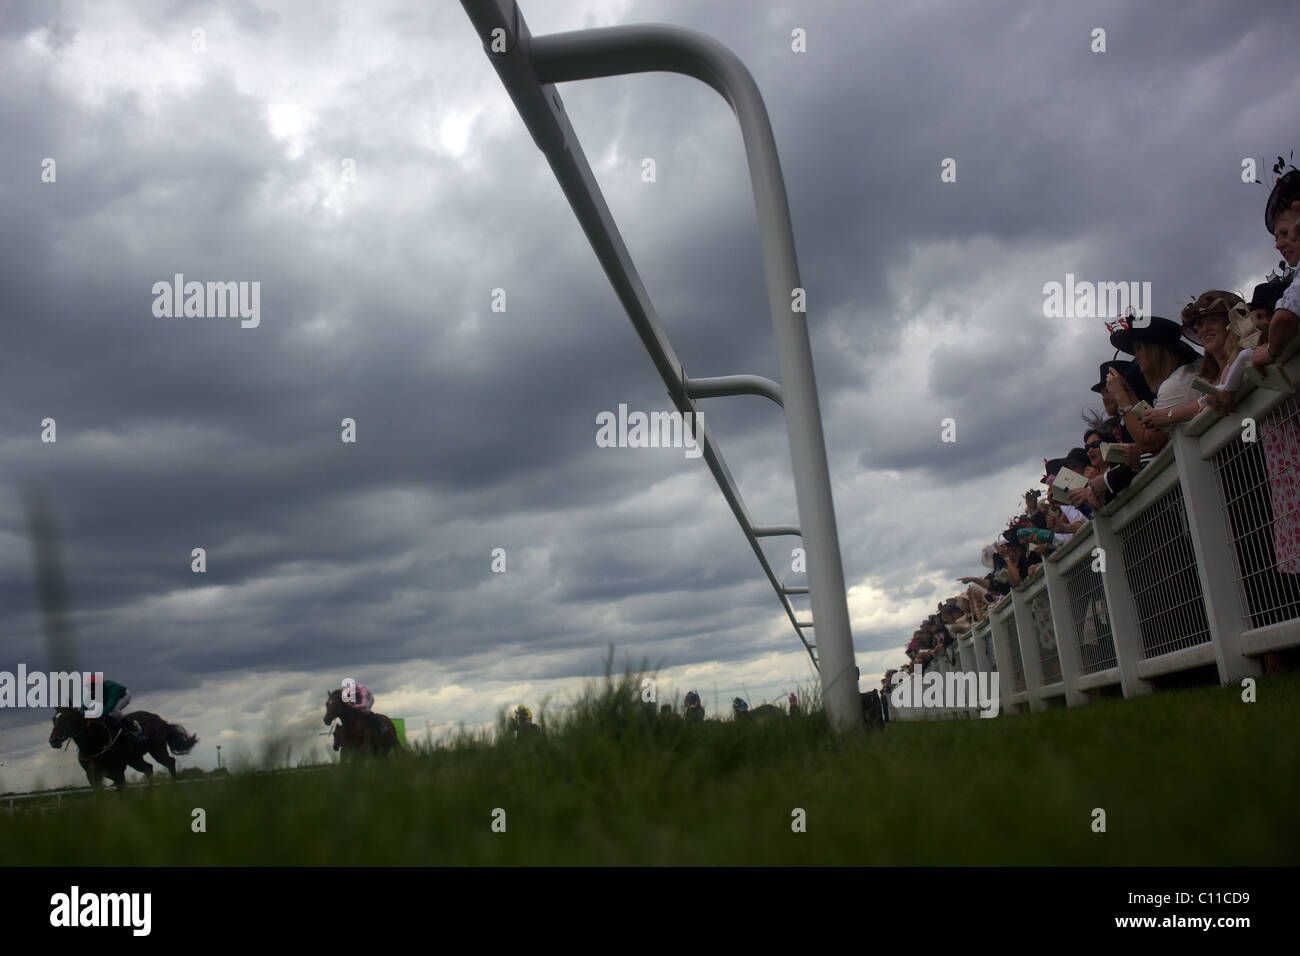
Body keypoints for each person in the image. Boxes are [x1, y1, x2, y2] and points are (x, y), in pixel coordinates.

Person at [1105, 316, 1202, 455]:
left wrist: (1120, 397)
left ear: (1155, 350)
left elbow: (1147, 441)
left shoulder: (1174, 385)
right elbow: (1149, 418)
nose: (1135, 357)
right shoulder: (1183, 375)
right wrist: (1127, 391)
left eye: (1139, 349)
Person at [82, 674, 145, 743]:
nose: (92, 690)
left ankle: (134, 727)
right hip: (108, 698)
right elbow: (84, 706)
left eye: (93, 687)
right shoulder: (93, 692)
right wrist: (81, 714)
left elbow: (110, 706)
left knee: (113, 711)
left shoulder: (112, 689)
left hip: (124, 696)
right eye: (90, 688)